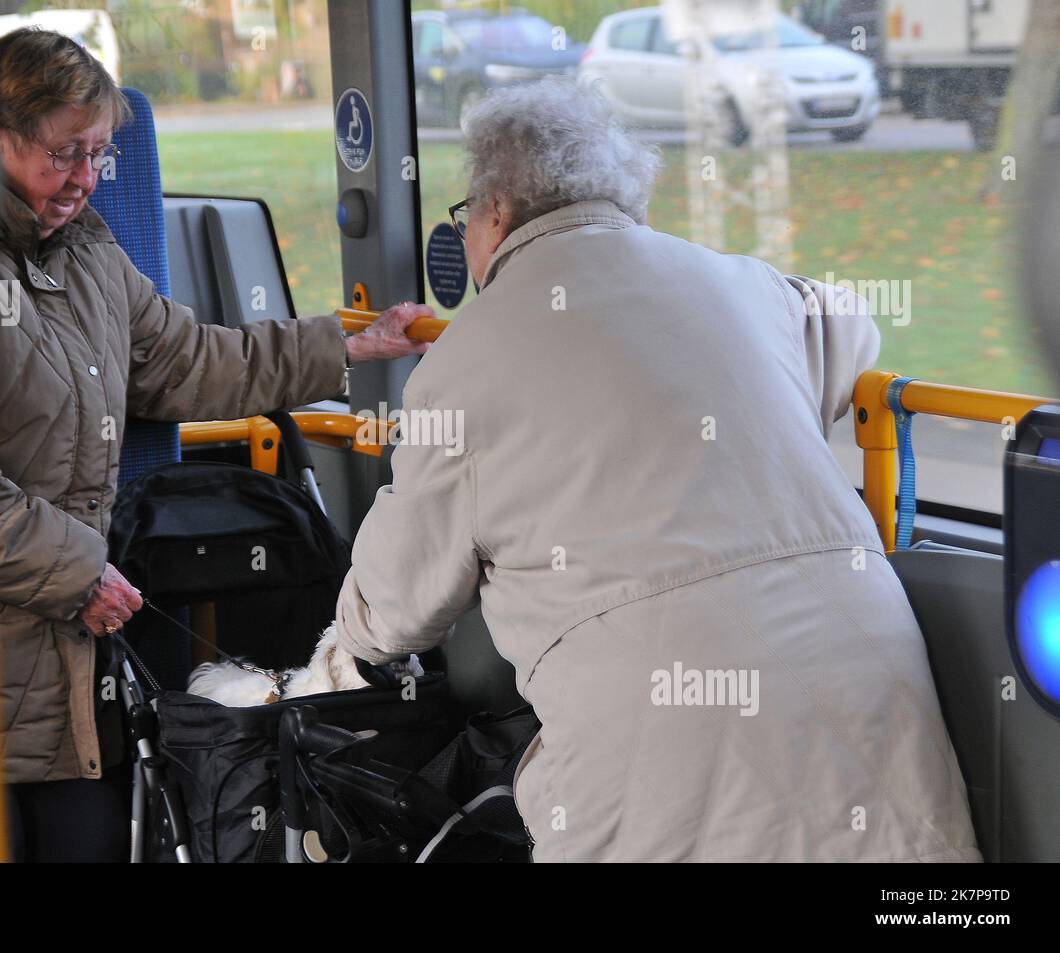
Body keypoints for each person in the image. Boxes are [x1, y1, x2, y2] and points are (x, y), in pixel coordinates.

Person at [0, 27, 432, 862]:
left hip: (58, 655)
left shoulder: (84, 247)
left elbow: (183, 359)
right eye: (65, 154)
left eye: (99, 155)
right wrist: (80, 572)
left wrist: (346, 345)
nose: (86, 180)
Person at [334, 77, 981, 862]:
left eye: (464, 216)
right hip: (875, 706)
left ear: (495, 210)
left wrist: (346, 633)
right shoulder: (745, 284)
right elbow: (852, 327)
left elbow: (395, 609)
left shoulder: (462, 362)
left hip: (661, 760)